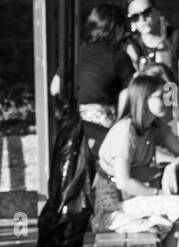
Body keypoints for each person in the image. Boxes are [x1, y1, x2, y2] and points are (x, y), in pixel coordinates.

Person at [93, 71, 179, 247]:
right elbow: (125, 181)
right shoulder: (124, 131)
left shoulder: (154, 127)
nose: (166, 101)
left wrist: (172, 166)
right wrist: (159, 192)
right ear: (143, 99)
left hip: (135, 204)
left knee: (178, 218)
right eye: (161, 96)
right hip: (114, 209)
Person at [53, 5, 136, 152]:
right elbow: (131, 91)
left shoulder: (77, 54)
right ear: (117, 28)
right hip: (104, 123)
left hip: (76, 124)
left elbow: (55, 88)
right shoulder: (119, 57)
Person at [125, 2, 179, 79]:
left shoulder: (178, 37)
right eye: (135, 17)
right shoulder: (133, 46)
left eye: (146, 12)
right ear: (132, 22)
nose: (142, 19)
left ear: (158, 12)